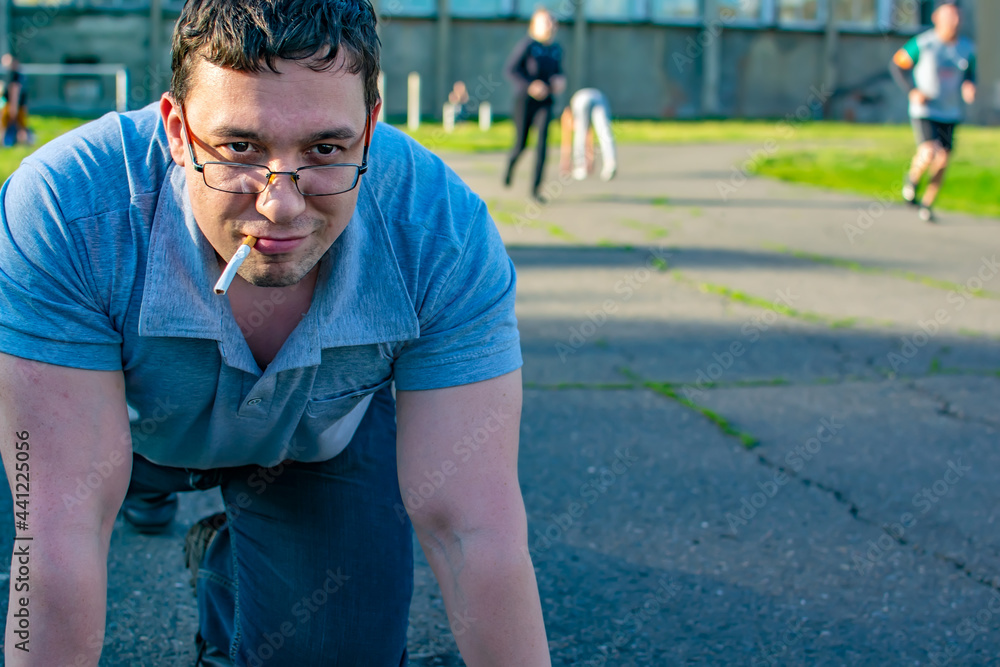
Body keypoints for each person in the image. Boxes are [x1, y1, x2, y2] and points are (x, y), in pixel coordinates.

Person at [0, 1, 551, 666]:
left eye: (324, 149)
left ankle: (235, 560)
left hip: (311, 440)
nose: (280, 203)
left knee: (333, 647)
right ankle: (153, 494)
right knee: (73, 493)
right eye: (239, 147)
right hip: (122, 423)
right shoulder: (68, 210)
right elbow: (56, 534)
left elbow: (475, 533)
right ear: (176, 130)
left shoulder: (440, 233)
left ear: (371, 132)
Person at [890, 0, 975, 223]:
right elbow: (898, 64)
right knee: (928, 152)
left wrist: (968, 86)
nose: (954, 22)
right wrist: (913, 90)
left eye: (957, 18)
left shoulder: (966, 47)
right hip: (925, 108)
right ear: (937, 18)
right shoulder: (924, 43)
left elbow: (969, 74)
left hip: (950, 111)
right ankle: (912, 181)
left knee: (943, 160)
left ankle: (926, 204)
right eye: (949, 17)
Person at [503, 8, 566, 203]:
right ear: (535, 25)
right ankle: (511, 165)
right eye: (544, 21)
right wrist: (530, 85)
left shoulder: (556, 49)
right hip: (526, 101)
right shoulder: (528, 46)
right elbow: (511, 70)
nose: (549, 25)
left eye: (551, 21)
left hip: (545, 102)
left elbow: (559, 72)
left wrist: (559, 81)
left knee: (542, 145)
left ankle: (536, 189)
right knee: (522, 144)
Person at [559, 88, 617, 183]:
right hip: (598, 96)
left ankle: (580, 166)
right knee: (605, 132)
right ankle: (610, 164)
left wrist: (565, 162)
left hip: (582, 99)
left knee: (580, 132)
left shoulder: (571, 107)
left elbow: (567, 139)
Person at [0, 54, 30, 147]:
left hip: (13, 105)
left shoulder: (15, 75)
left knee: (18, 125)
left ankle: (23, 142)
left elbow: (15, 92)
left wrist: (13, 107)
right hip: (11, 104)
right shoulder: (10, 74)